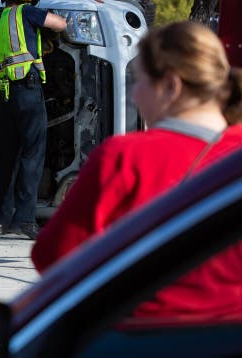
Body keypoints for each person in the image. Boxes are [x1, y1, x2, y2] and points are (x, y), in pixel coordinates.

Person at [32, 21, 242, 320]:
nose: (134, 96)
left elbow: (53, 257)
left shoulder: (124, 157)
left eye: (139, 82)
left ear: (171, 85)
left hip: (142, 334)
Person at [0, 0, 66, 239]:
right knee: (32, 155)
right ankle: (26, 221)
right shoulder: (27, 13)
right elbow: (60, 24)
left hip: (2, 95)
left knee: (7, 158)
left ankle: (0, 221)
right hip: (27, 91)